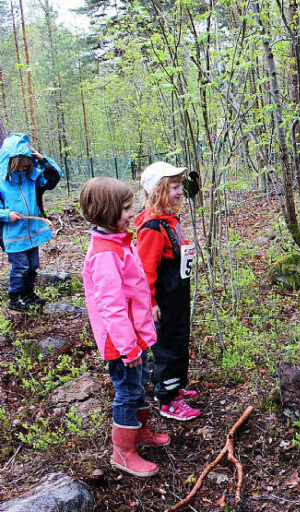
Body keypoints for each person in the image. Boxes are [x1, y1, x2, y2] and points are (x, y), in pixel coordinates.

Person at [80, 177, 169, 478]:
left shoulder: (117, 241)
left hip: (134, 337)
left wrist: (142, 334)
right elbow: (112, 308)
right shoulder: (105, 254)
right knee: (128, 392)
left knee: (139, 384)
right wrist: (127, 346)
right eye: (126, 209)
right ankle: (123, 451)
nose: (131, 214)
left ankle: (139, 431)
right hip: (121, 344)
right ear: (106, 211)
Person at [135, 161, 200, 421]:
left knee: (179, 339)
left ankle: (175, 387)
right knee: (167, 345)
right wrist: (151, 303)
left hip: (177, 294)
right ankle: (167, 399)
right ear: (158, 190)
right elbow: (145, 271)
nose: (179, 191)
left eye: (179, 186)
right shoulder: (152, 228)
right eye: (173, 187)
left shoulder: (169, 221)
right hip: (164, 297)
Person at [0, 133, 61, 312]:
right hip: (13, 234)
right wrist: (7, 214)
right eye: (18, 166)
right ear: (9, 162)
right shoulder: (2, 183)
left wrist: (41, 158)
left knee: (32, 265)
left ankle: (28, 294)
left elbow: (54, 176)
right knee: (21, 266)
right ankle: (15, 297)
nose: (22, 169)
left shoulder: (32, 178)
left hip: (31, 232)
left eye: (26, 165)